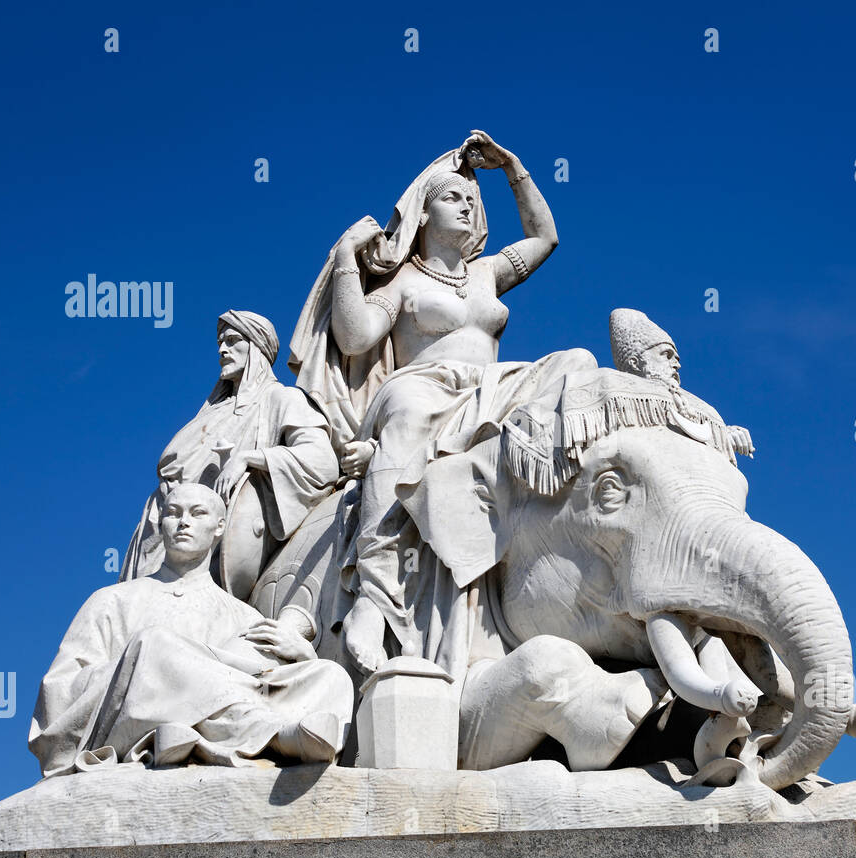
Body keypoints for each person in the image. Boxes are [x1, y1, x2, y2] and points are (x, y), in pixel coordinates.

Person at [289, 131, 595, 679]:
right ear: (423, 216)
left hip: (492, 386)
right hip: (424, 386)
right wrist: (343, 260)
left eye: (471, 199)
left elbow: (545, 237)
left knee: (577, 362)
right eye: (452, 197)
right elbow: (356, 338)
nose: (468, 203)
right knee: (404, 415)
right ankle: (374, 597)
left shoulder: (488, 273)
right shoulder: (405, 282)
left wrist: (512, 168)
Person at [30, 482, 354, 777]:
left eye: (198, 513)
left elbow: (265, 682)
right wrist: (141, 669)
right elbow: (59, 692)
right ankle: (270, 734)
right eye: (173, 513)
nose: (183, 522)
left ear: (220, 527)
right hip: (134, 717)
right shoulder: (113, 600)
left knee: (330, 676)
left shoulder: (245, 616)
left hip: (243, 701)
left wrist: (302, 654)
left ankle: (212, 733)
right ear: (161, 524)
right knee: (154, 645)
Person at [121, 310, 339, 617]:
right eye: (220, 342)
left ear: (258, 348)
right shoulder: (208, 414)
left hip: (213, 547)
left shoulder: (281, 400)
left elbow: (322, 461)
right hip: (159, 530)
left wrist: (250, 458)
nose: (222, 350)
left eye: (233, 341)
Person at [608, 307, 755, 461]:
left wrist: (725, 437)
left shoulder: (702, 409)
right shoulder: (613, 397)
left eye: (676, 359)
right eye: (667, 355)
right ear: (635, 363)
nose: (676, 365)